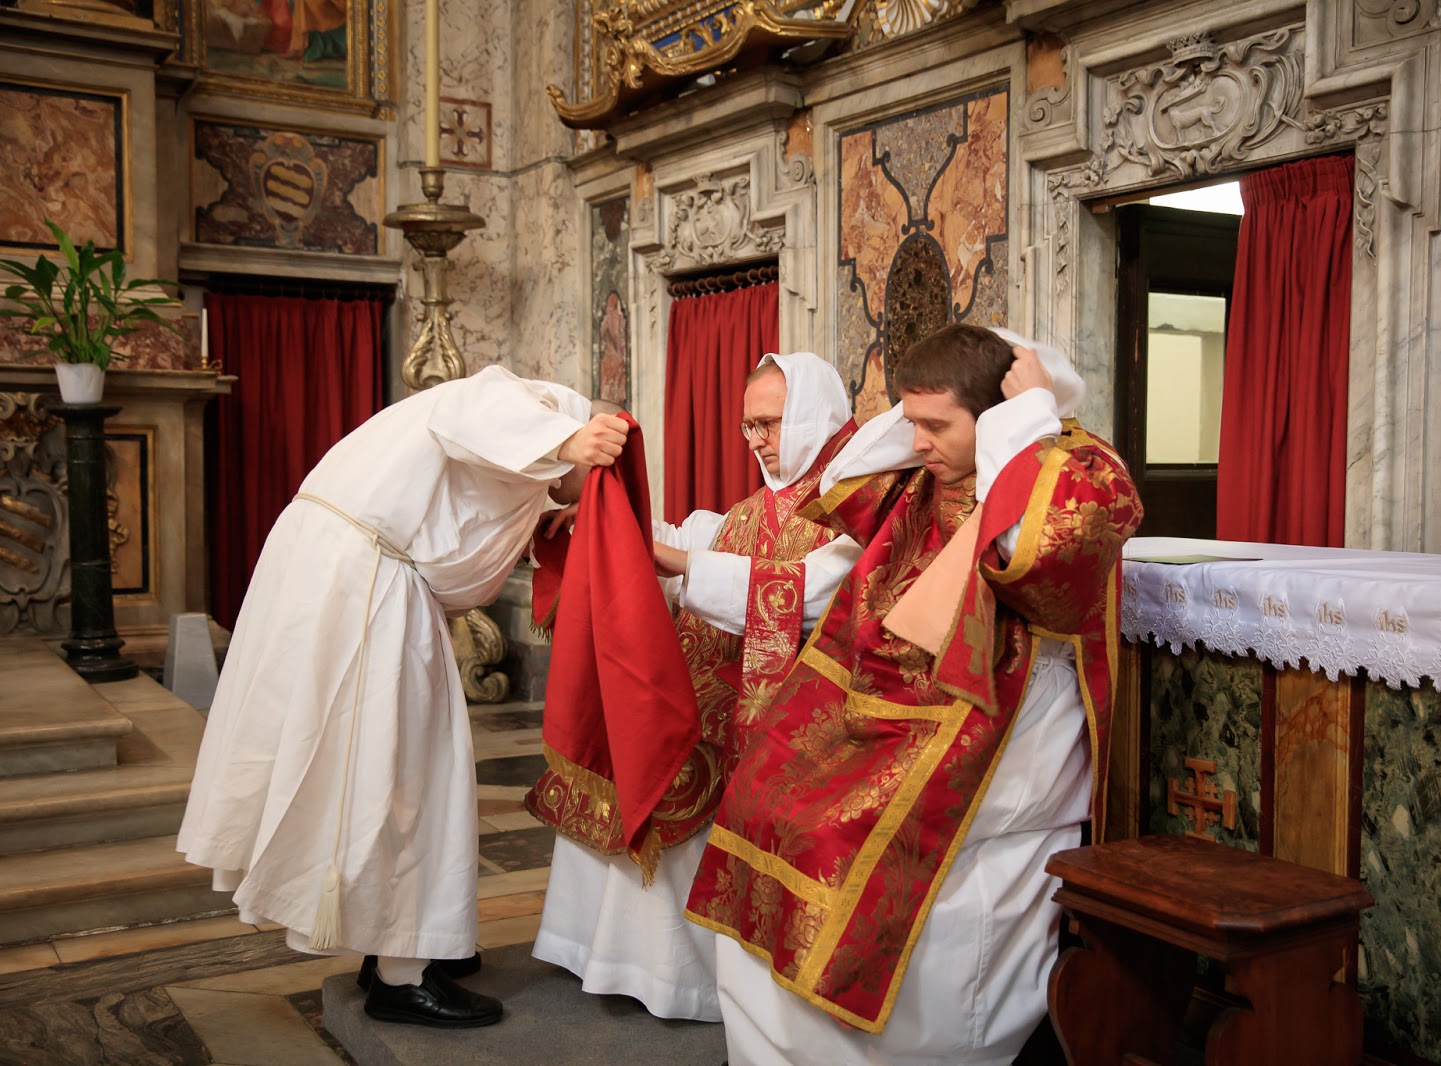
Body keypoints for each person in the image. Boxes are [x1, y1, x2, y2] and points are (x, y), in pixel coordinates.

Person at [685, 324, 1144, 1064]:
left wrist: (1022, 425)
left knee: (833, 832)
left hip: (1003, 716)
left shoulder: (1079, 467)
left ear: (996, 415)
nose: (917, 439)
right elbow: (843, 485)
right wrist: (924, 421)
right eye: (910, 420)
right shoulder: (929, 469)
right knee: (760, 796)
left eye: (935, 424)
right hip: (897, 700)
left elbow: (1035, 563)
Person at [176, 365, 628, 1028]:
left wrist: (547, 500)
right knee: (410, 777)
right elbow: (471, 413)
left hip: (357, 575)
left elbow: (463, 512)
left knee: (387, 775)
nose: (588, 489)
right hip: (367, 585)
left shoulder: (510, 448)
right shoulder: (525, 403)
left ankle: (399, 940)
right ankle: (402, 975)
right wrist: (566, 442)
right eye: (596, 476)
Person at [532, 352, 861, 1022]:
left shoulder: (851, 509)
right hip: (721, 684)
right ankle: (599, 954)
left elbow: (803, 595)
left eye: (770, 424)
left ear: (815, 416)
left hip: (800, 708)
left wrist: (669, 557)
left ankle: (674, 980)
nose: (756, 441)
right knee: (626, 744)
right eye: (748, 427)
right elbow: (691, 541)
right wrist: (603, 523)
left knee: (672, 763)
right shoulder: (751, 510)